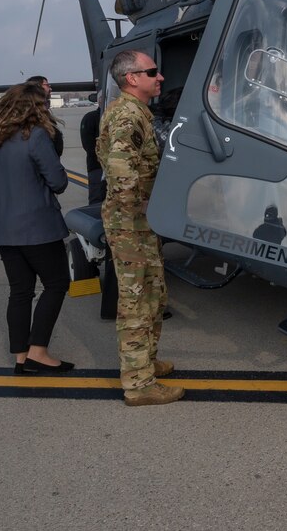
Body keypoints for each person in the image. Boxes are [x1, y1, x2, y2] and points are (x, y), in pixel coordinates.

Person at [97, 50, 183, 406]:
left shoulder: (136, 112)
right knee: (136, 300)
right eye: (152, 72)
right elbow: (120, 169)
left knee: (153, 294)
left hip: (140, 221)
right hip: (131, 221)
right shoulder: (126, 115)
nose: (160, 77)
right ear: (132, 78)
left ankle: (145, 361)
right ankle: (138, 384)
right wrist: (144, 205)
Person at [0, 83, 74, 374]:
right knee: (56, 284)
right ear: (35, 107)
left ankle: (21, 357)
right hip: (36, 227)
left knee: (20, 291)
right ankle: (38, 352)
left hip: (1, 228)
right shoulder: (37, 136)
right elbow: (58, 182)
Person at [25, 75, 63, 156]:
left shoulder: (46, 116)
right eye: (47, 85)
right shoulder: (31, 116)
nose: (50, 89)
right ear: (37, 87)